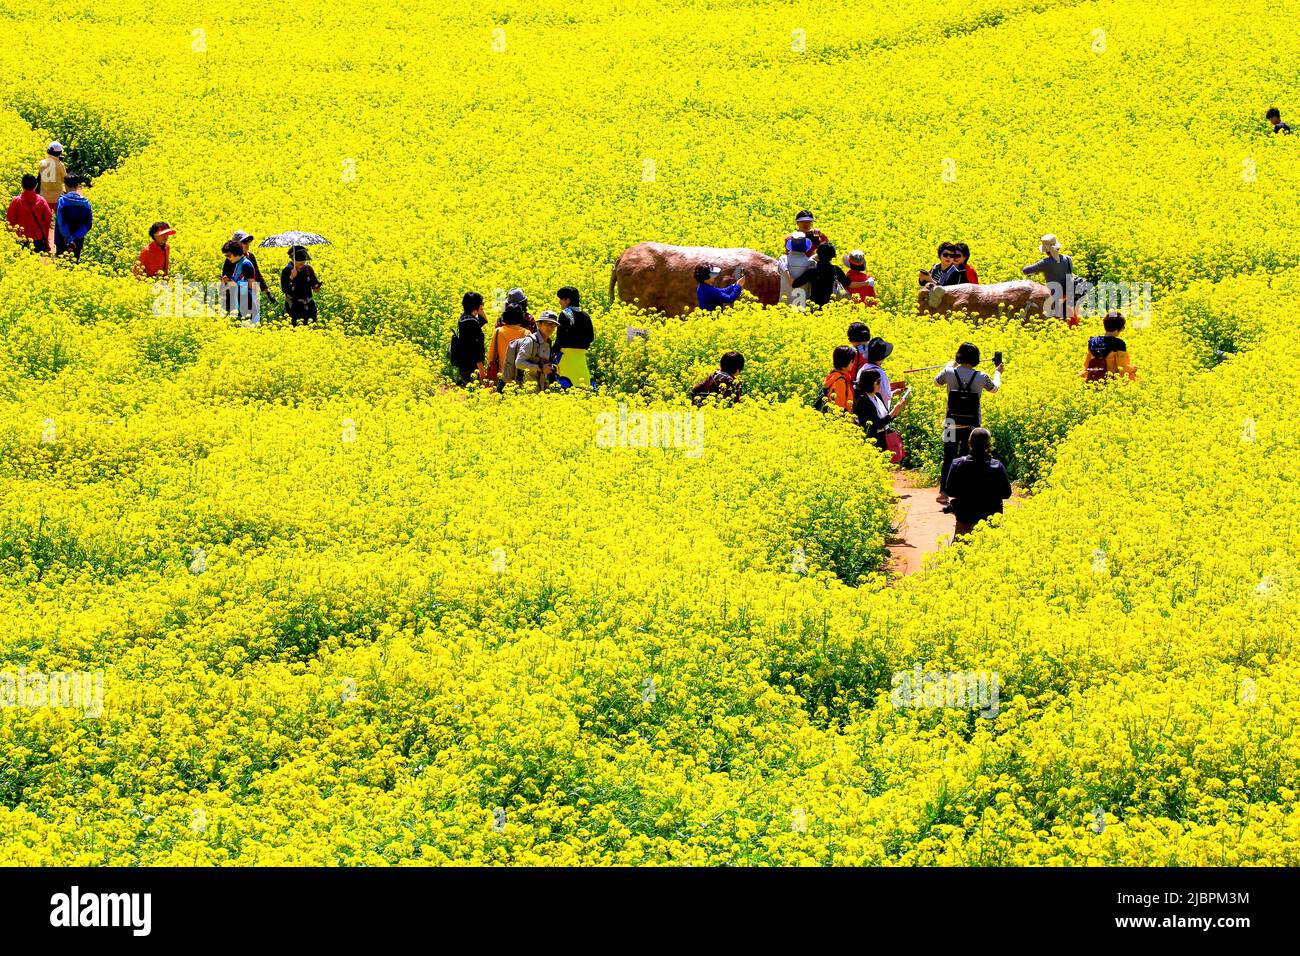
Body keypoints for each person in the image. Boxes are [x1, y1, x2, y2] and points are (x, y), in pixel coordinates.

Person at [933, 342, 1002, 504]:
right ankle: (962, 492)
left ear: (959, 356)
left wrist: (950, 365)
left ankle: (944, 492)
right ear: (976, 358)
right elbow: (994, 388)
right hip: (971, 426)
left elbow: (936, 382)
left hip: (950, 423)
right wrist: (997, 373)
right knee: (966, 457)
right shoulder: (982, 376)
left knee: (948, 456)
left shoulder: (949, 372)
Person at [944, 428, 1012, 539]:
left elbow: (950, 491)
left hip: (965, 518)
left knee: (960, 551)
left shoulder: (957, 464)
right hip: (990, 518)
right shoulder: (997, 466)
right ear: (989, 445)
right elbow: (1006, 493)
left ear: (969, 443)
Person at [1022, 234, 1078, 324]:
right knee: (1072, 322)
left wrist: (1039, 270)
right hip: (1070, 294)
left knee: (1059, 322)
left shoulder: (1045, 263)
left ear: (1046, 251)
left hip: (1056, 297)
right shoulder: (1068, 259)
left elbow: (1025, 270)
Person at [853, 367, 908, 452]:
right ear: (870, 383)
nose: (880, 384)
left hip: (884, 438)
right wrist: (893, 412)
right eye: (878, 382)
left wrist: (897, 410)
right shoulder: (863, 401)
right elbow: (876, 424)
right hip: (874, 442)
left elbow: (885, 419)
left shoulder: (877, 396)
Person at [505, 310, 560, 391]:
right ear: (538, 325)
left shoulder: (548, 343)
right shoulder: (530, 341)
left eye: (553, 325)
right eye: (546, 323)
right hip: (527, 388)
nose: (550, 327)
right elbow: (519, 363)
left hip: (542, 388)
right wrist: (540, 368)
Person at [554, 286, 594, 389]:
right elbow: (590, 337)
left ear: (568, 300)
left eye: (561, 299)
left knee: (566, 382)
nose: (559, 302)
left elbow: (560, 338)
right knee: (583, 384)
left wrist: (553, 351)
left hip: (566, 356)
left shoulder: (564, 314)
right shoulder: (585, 315)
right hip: (580, 356)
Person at [1082, 311, 1138, 382]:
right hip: (1111, 381)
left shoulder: (1093, 341)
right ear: (1118, 328)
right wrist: (1133, 368)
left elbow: (1086, 365)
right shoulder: (1119, 344)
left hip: (1093, 379)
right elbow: (1122, 368)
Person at [486, 302, 530, 388]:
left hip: (501, 376)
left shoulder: (498, 331)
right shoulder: (526, 333)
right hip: (520, 377)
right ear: (521, 316)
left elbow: (491, 356)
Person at [793, 242, 850, 308]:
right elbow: (848, 283)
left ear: (818, 254)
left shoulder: (812, 272)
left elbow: (795, 284)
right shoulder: (836, 270)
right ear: (832, 256)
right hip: (831, 306)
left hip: (814, 306)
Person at [6, 174, 52, 253]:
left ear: (22, 185)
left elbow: (9, 220)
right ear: (36, 185)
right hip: (38, 238)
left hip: (21, 238)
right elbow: (48, 219)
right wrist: (46, 239)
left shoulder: (16, 201)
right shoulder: (41, 201)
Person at [450, 291, 488, 385]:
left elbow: (484, 320)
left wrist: (479, 308)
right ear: (476, 306)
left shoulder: (464, 318)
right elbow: (475, 350)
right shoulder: (471, 323)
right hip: (472, 367)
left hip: (464, 365)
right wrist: (482, 371)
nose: (482, 306)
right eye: (481, 304)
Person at [229, 231, 276, 308]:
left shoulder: (251, 256)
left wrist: (268, 292)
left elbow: (257, 274)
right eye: (245, 243)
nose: (248, 246)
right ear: (236, 245)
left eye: (248, 243)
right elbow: (227, 278)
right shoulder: (231, 259)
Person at [220, 239, 260, 325]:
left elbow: (251, 286)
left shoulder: (246, 264)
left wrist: (233, 283)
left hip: (248, 304)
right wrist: (229, 281)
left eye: (228, 255)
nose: (227, 258)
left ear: (235, 253)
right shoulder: (239, 263)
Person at [280, 246, 322, 326]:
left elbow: (314, 286)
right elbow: (285, 289)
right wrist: (291, 278)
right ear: (293, 260)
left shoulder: (308, 269)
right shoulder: (287, 270)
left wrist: (316, 287)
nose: (302, 265)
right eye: (300, 264)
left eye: (303, 263)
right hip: (293, 307)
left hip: (309, 307)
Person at [54, 176, 92, 260]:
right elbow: (88, 224)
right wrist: (76, 236)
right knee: (75, 265)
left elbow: (61, 222)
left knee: (60, 266)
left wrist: (68, 238)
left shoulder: (62, 201)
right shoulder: (86, 203)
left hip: (62, 240)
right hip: (77, 241)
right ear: (78, 186)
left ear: (65, 186)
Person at [855, 336, 901, 404]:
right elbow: (886, 396)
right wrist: (894, 392)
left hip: (864, 407)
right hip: (878, 410)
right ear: (883, 358)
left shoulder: (862, 369)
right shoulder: (880, 373)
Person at [778, 232, 815, 306]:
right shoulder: (810, 263)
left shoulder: (783, 259)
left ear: (791, 246)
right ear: (805, 247)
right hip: (803, 305)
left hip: (784, 305)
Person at [818, 345, 856, 413]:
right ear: (845, 362)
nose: (853, 363)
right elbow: (839, 407)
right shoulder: (840, 381)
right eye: (852, 361)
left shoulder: (833, 376)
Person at [37, 143, 66, 222]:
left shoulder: (41, 163)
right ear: (59, 153)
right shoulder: (60, 165)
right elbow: (65, 180)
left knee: (44, 221)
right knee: (60, 221)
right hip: (57, 198)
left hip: (44, 197)